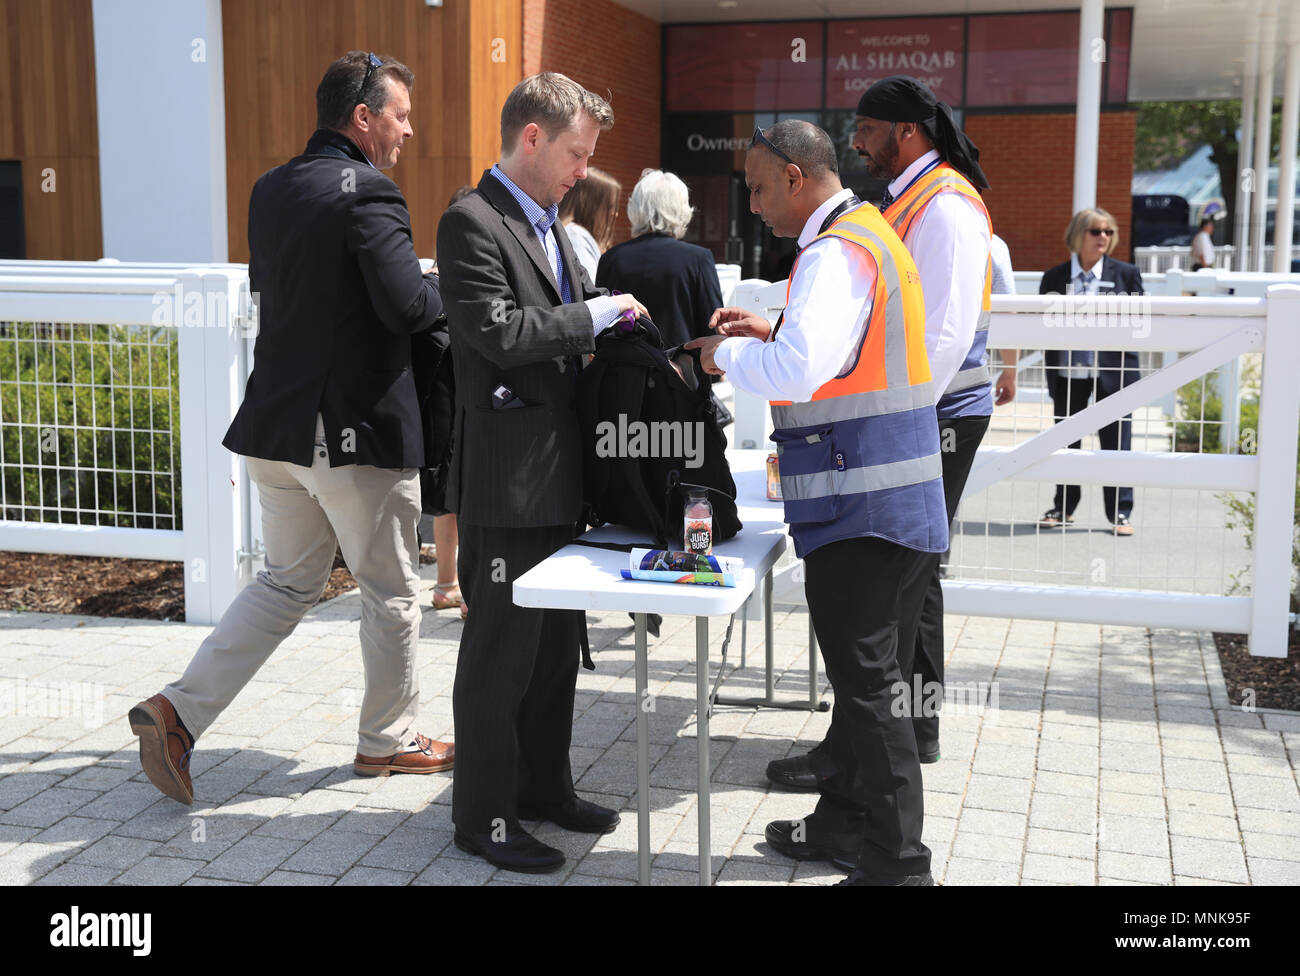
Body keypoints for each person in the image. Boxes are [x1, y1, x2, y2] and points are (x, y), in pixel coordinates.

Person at [128, 52, 453, 806]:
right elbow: (407, 308)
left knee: (286, 581)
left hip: (276, 429)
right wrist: (445, 292)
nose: (409, 129)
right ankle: (388, 741)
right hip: (352, 434)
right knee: (393, 589)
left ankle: (177, 711)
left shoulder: (269, 189)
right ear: (363, 117)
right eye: (399, 114)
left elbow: (287, 292)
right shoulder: (371, 192)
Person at [687, 120, 945, 885]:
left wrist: (726, 354)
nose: (756, 205)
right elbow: (842, 350)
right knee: (868, 687)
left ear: (797, 177)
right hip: (893, 505)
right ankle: (843, 828)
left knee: (869, 696)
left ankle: (900, 864)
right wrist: (774, 327)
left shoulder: (834, 254)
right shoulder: (866, 236)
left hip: (858, 509)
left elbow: (799, 371)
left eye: (761, 188)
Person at [436, 72, 649, 874]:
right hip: (507, 479)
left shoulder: (553, 226)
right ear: (531, 138)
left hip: (561, 474)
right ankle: (484, 820)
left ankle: (545, 789)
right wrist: (594, 314)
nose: (583, 171)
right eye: (574, 153)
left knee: (559, 648)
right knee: (500, 656)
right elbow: (498, 331)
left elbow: (569, 331)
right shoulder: (471, 222)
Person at [765, 75, 995, 797]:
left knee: (896, 591)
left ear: (908, 130)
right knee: (910, 582)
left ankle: (871, 748)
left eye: (866, 128)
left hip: (934, 414)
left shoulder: (947, 205)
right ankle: (892, 734)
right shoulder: (910, 200)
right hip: (920, 413)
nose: (856, 141)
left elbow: (945, 335)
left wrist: (894, 424)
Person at [1039, 207, 1144, 536]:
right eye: (1096, 231)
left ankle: (1120, 513)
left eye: (1108, 232)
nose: (1104, 238)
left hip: (1113, 375)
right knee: (1066, 443)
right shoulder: (1054, 278)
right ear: (1078, 235)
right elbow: (1042, 329)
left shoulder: (1126, 274)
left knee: (1116, 445)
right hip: (1069, 373)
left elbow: (1138, 325)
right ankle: (1063, 507)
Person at [597, 169, 723, 349]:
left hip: (623, 370)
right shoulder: (698, 259)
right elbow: (712, 325)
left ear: (635, 207)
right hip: (679, 368)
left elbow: (602, 325)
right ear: (681, 209)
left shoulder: (611, 258)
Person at [428, 184, 477, 621]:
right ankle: (466, 590)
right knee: (469, 490)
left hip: (439, 400)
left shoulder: (431, 278)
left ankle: (448, 583)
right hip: (465, 396)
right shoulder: (471, 274)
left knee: (449, 492)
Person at [558, 166, 621, 282]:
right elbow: (592, 290)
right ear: (590, 204)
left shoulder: (572, 233)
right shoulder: (576, 236)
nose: (614, 214)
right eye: (610, 207)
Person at [990, 233, 1019, 406]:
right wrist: (1010, 372)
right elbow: (1007, 309)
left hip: (908, 373)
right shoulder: (992, 244)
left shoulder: (900, 225)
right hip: (966, 380)